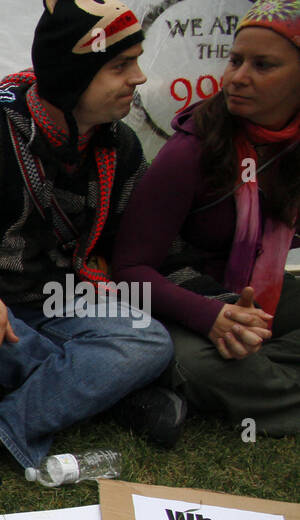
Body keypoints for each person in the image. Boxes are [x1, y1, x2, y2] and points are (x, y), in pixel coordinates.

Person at [0, 0, 182, 514]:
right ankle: (110, 393)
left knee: (148, 340)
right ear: (72, 74)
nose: (140, 78)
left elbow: (134, 245)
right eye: (120, 67)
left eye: (136, 63)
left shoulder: (119, 148)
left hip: (64, 303)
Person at [113, 0, 300, 435]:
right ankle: (242, 379)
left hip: (254, 296)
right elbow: (129, 272)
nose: (237, 77)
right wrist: (211, 318)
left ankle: (255, 377)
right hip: (177, 304)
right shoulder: (192, 149)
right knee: (200, 366)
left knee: (234, 360)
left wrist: (240, 318)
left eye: (263, 65)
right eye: (235, 60)